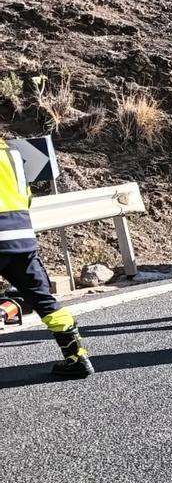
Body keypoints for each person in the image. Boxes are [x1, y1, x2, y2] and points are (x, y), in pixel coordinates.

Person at [0, 139, 92, 377]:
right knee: (43, 300)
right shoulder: (9, 149)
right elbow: (26, 195)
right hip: (21, 236)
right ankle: (77, 358)